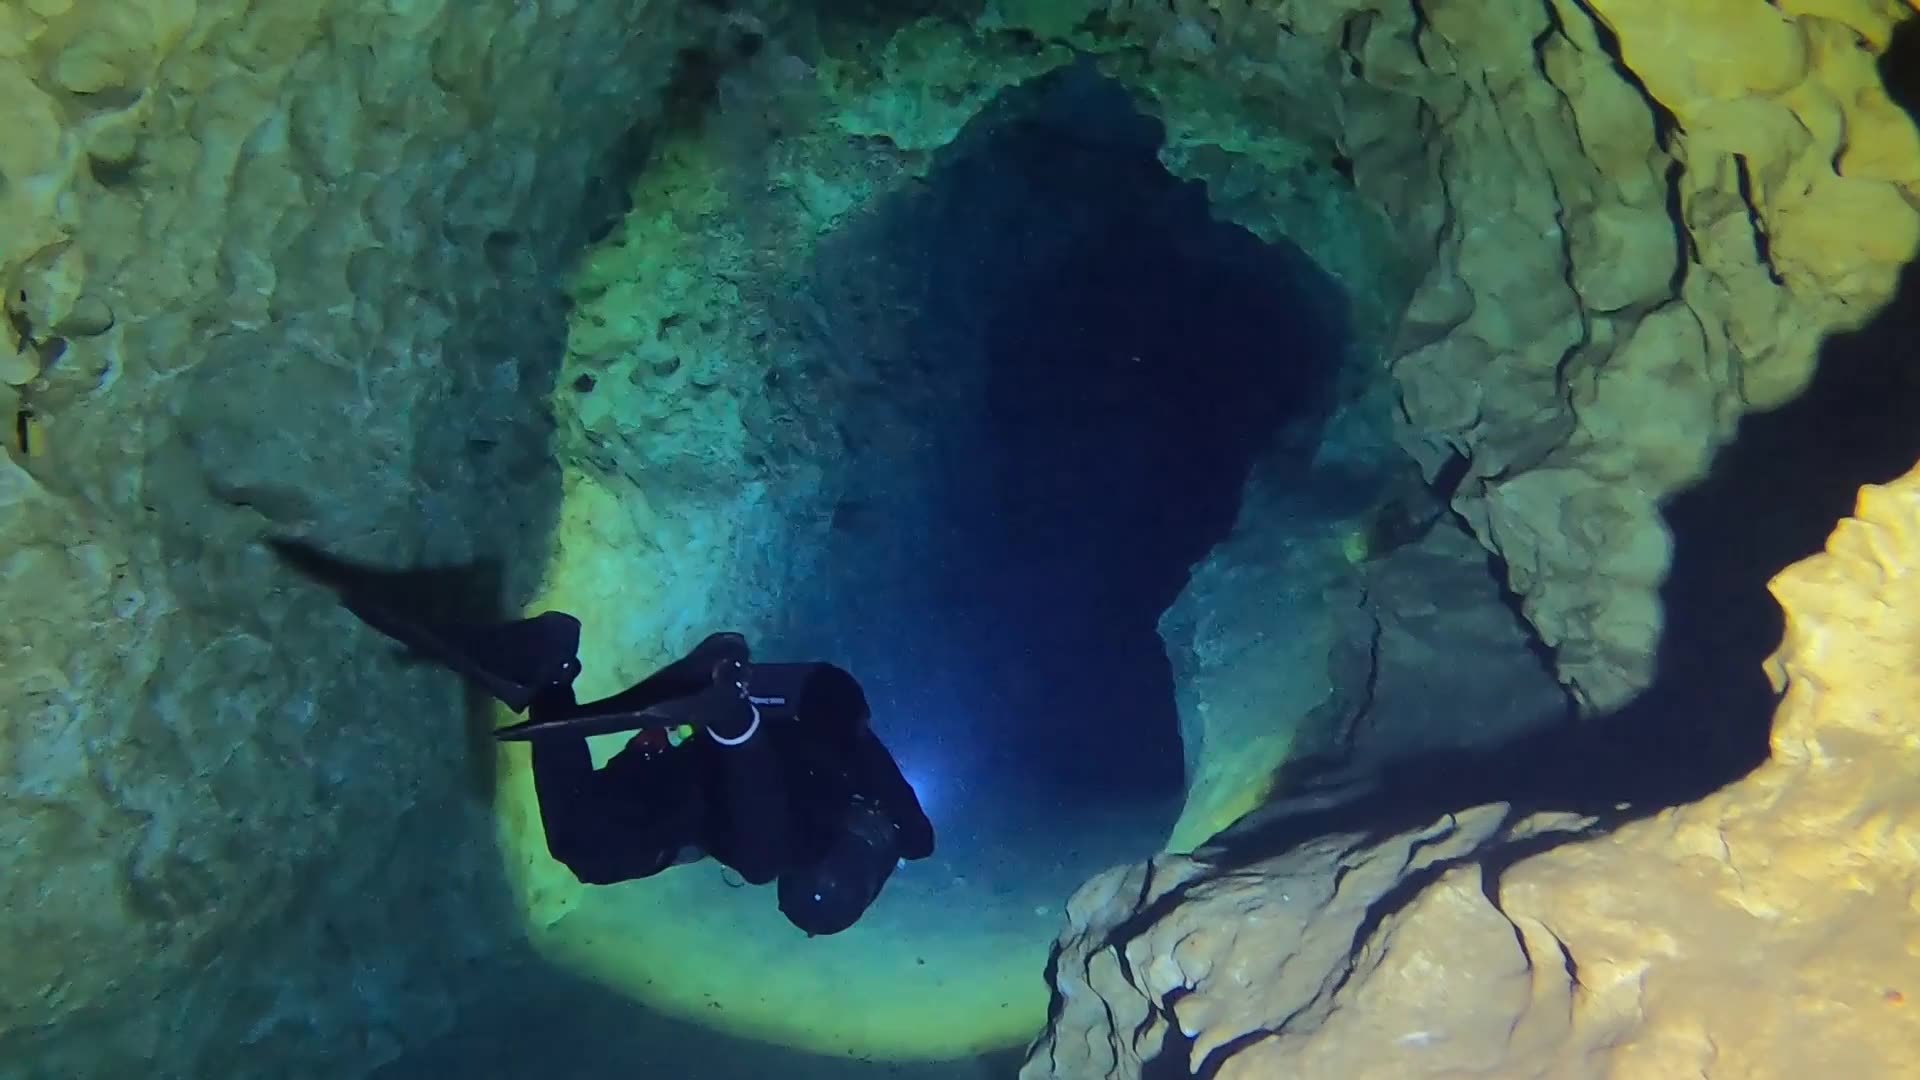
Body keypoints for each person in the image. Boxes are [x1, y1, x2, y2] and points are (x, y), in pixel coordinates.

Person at [269, 539, 934, 937]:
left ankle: (544, 674)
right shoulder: (855, 776)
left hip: (706, 779)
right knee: (762, 853)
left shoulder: (765, 841)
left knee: (591, 849)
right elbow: (887, 783)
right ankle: (732, 717)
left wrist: (648, 755)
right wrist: (903, 824)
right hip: (757, 727)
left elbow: (699, 834)